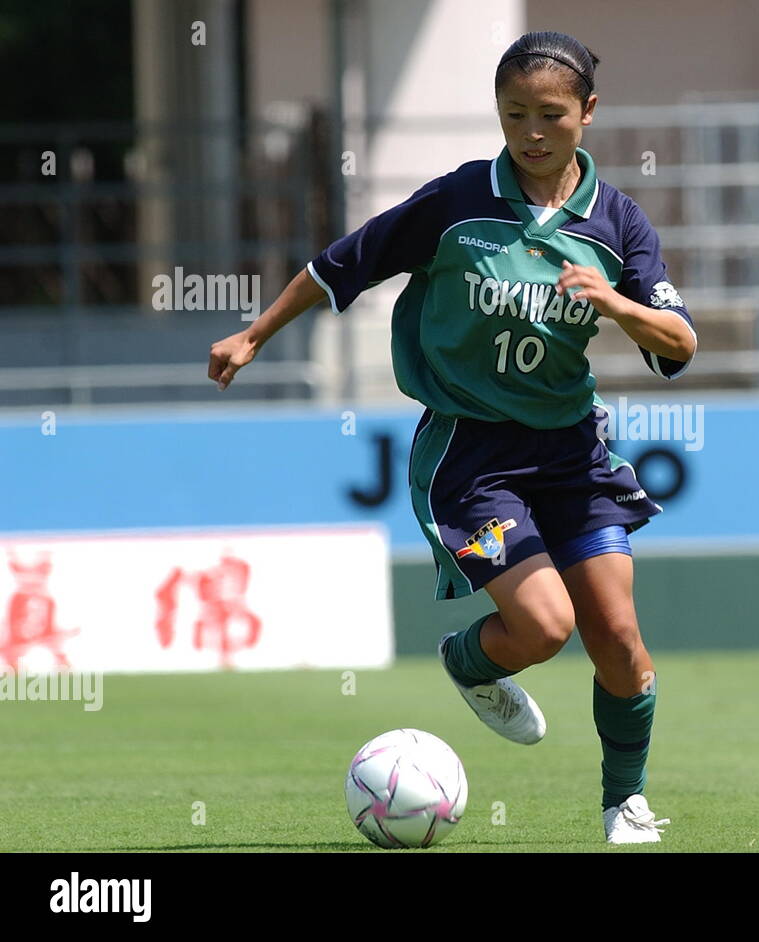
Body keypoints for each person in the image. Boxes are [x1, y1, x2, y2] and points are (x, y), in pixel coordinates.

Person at [207, 30, 696, 844]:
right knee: (545, 628)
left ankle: (625, 802)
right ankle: (470, 661)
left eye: (551, 115)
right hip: (473, 455)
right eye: (514, 115)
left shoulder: (617, 223)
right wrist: (253, 337)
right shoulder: (459, 202)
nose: (533, 133)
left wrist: (617, 305)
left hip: (573, 451)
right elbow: (341, 264)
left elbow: (679, 341)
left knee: (617, 636)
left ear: (588, 113)